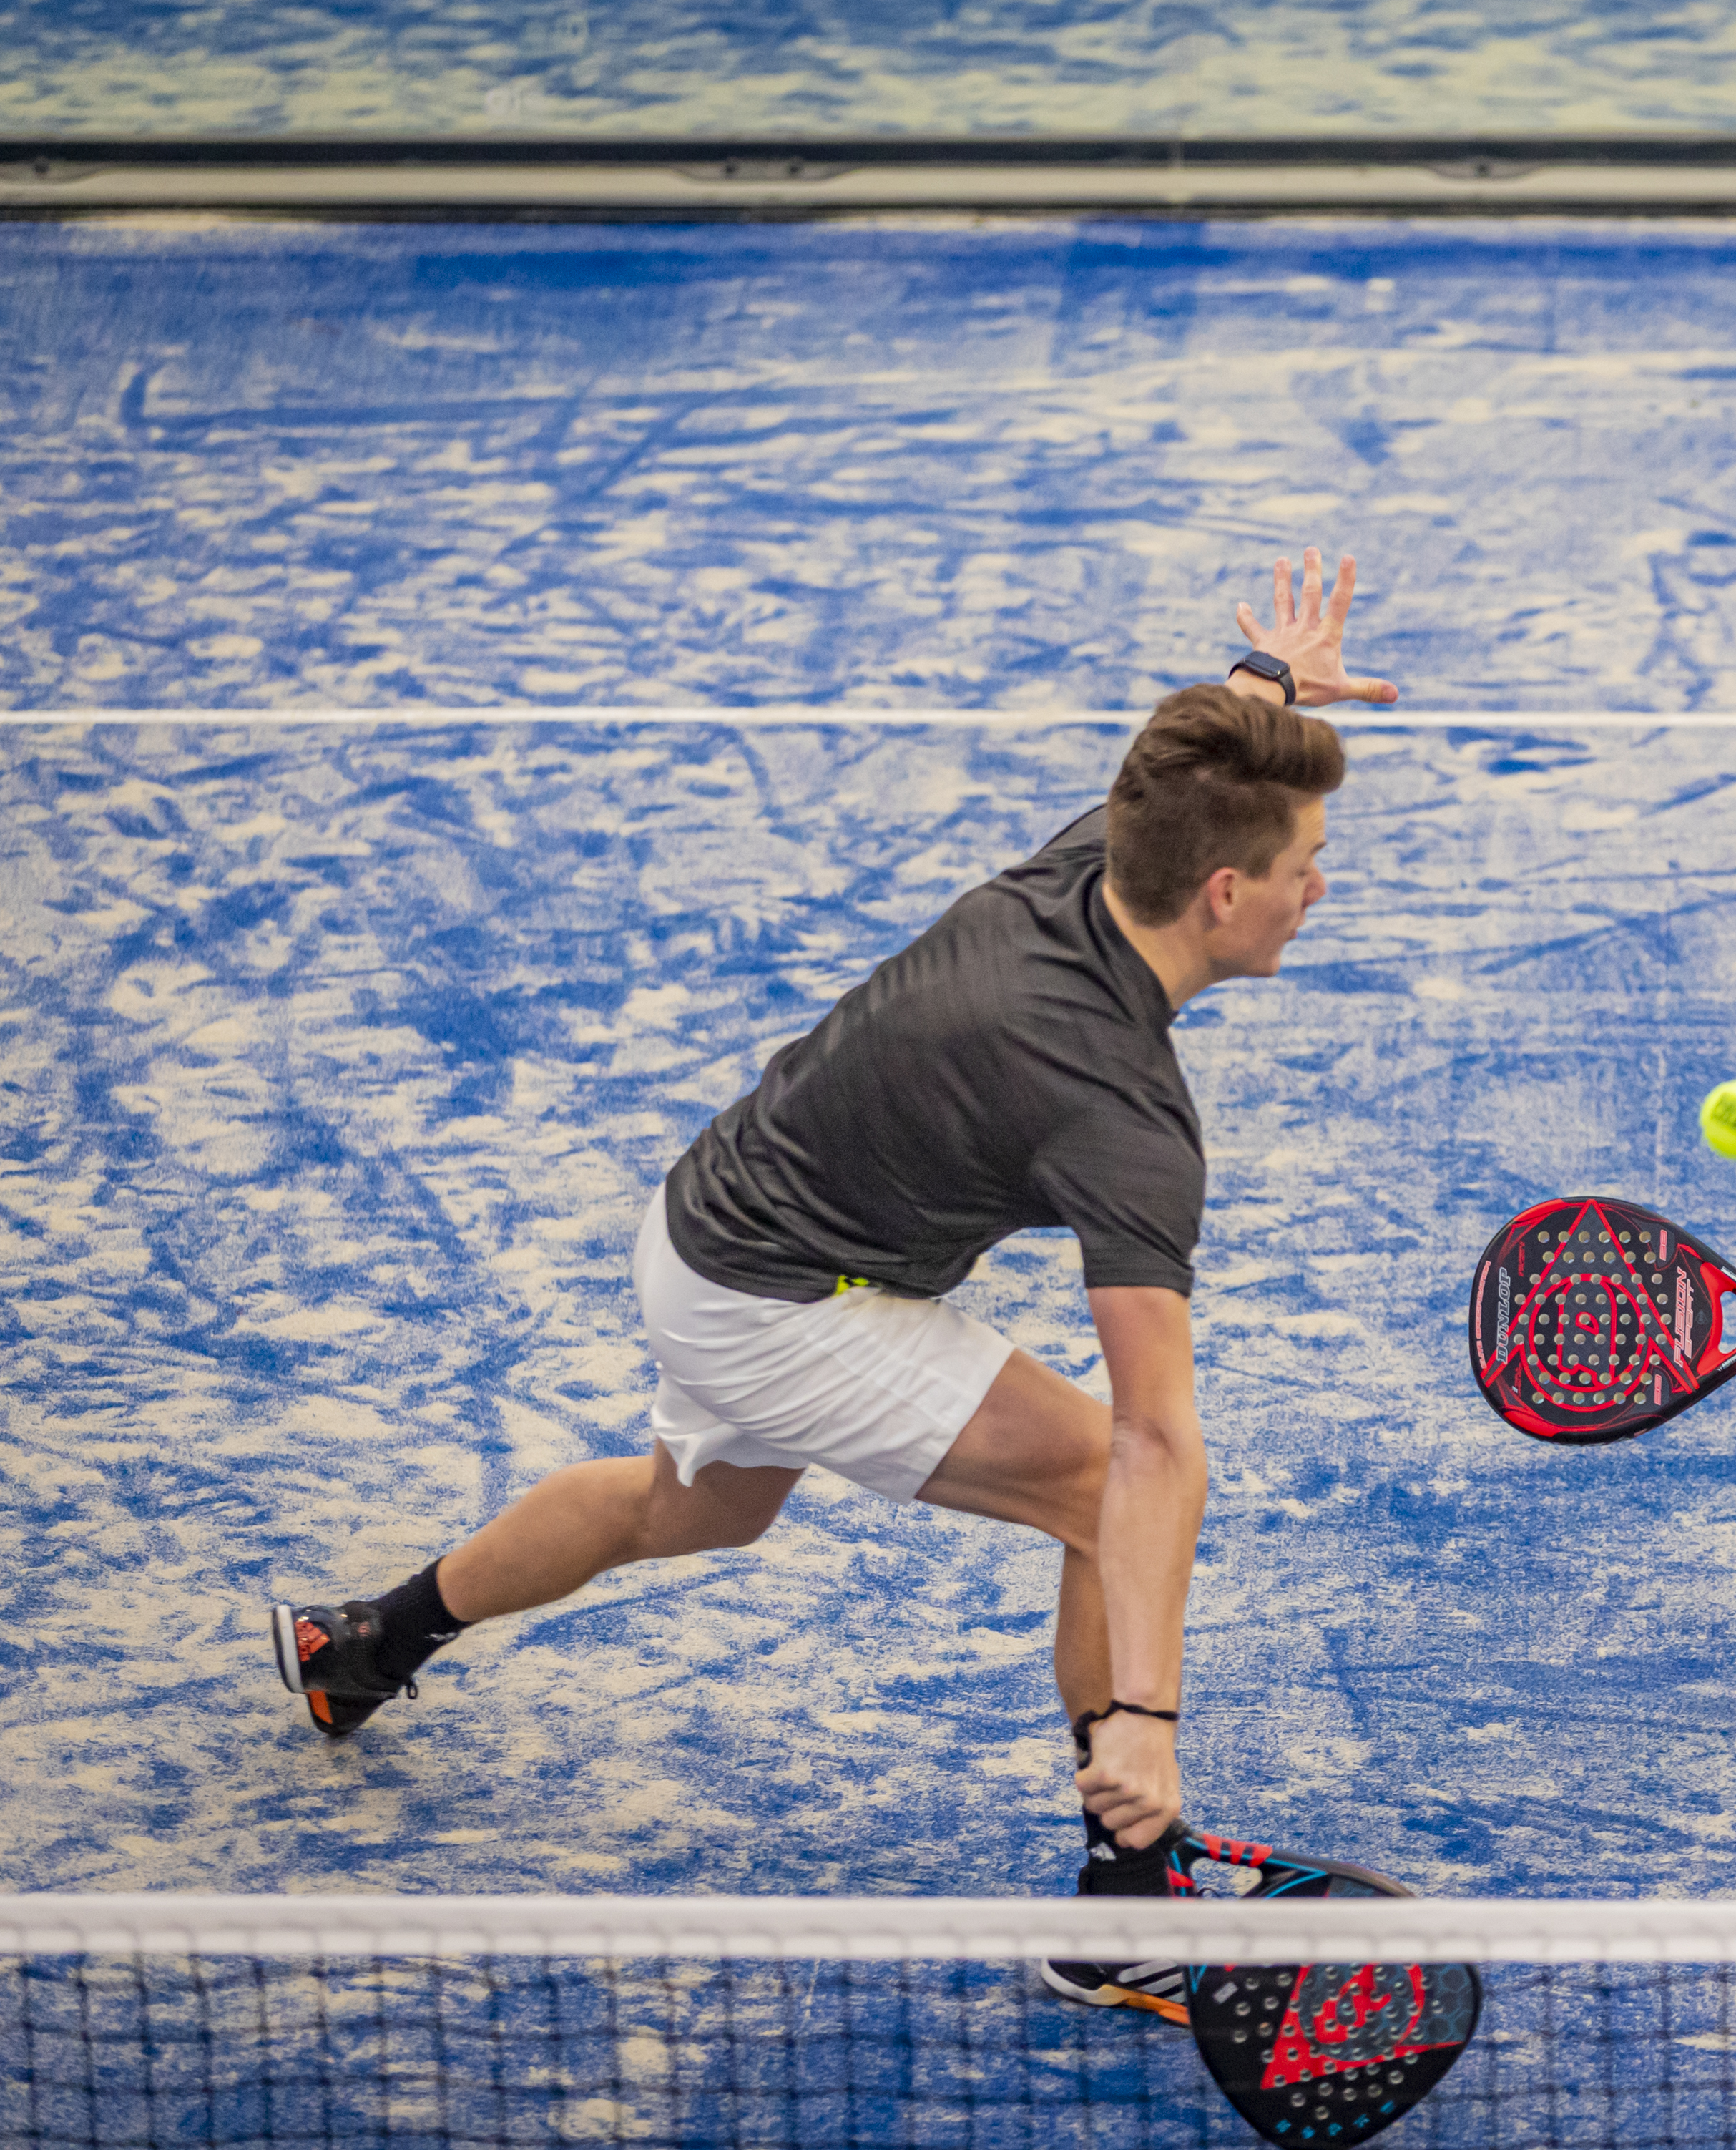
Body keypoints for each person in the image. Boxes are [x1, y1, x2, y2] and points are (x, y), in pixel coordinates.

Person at [269, 550, 1400, 2018]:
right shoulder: (1119, 1112)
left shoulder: (1109, 856)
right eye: (1305, 866)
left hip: (712, 1218)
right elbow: (1153, 1441)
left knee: (697, 1511)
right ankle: (1128, 1902)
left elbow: (1170, 771)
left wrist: (1264, 690)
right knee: (1088, 1488)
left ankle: (362, 1645)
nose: (1322, 887)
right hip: (775, 1298)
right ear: (1228, 890)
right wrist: (1147, 1722)